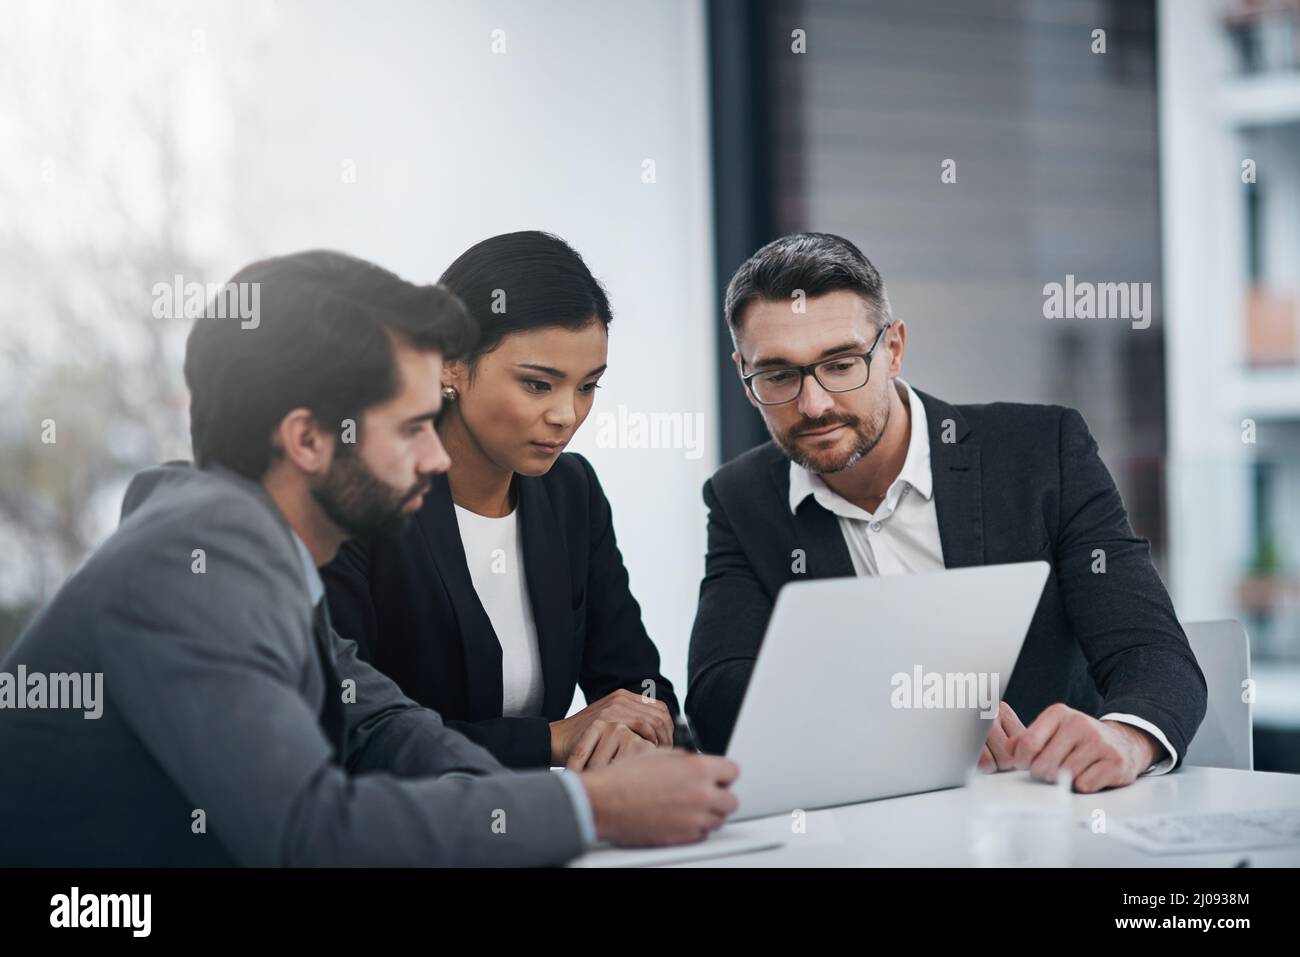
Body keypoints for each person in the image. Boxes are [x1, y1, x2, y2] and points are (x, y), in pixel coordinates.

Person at [0, 250, 737, 866]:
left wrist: (577, 802)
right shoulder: (198, 557)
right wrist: (586, 806)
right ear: (309, 439)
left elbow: (384, 727)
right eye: (413, 427)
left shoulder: (253, 546)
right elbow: (308, 829)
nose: (431, 455)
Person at [685, 232, 1206, 794]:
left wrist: (1125, 739)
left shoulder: (1041, 452)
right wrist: (915, 711)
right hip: (867, 830)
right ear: (744, 374)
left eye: (840, 365)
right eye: (779, 375)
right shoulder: (741, 498)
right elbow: (719, 701)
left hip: (1051, 814)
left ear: (893, 348)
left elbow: (1150, 652)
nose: (814, 405)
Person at [324, 231, 679, 770]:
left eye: (588, 387)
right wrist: (553, 740)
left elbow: (635, 683)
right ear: (449, 365)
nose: (567, 414)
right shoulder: (357, 499)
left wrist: (643, 726)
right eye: (539, 384)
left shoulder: (570, 492)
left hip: (545, 823)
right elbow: (350, 729)